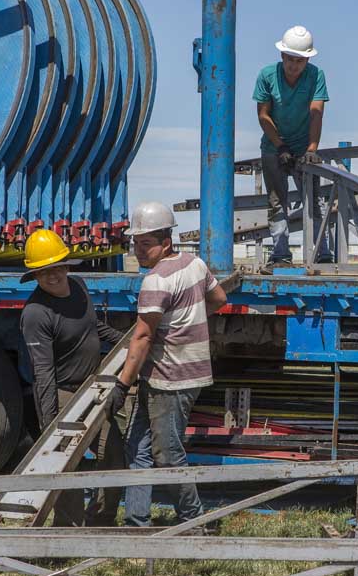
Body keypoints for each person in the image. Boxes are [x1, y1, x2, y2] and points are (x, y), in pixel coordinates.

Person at [107, 202, 228, 527]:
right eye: (135, 243)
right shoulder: (195, 264)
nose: (138, 250)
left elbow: (143, 337)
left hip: (169, 380)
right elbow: (219, 300)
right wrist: (189, 323)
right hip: (188, 373)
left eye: (145, 244)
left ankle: (194, 519)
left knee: (166, 454)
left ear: (166, 242)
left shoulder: (156, 281)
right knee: (139, 448)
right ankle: (136, 521)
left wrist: (121, 384)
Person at [19, 228, 126, 527]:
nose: (52, 276)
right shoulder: (36, 314)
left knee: (113, 454)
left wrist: (125, 343)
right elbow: (43, 373)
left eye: (56, 268)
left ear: (67, 266)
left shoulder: (78, 287)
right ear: (35, 275)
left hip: (94, 386)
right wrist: (50, 422)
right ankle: (68, 528)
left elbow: (93, 328)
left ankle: (101, 520)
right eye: (43, 272)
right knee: (67, 462)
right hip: (63, 393)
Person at [253, 25, 331, 266]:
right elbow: (263, 115)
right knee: (277, 200)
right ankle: (280, 253)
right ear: (282, 56)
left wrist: (312, 149)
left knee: (314, 200)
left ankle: (322, 252)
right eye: (290, 59)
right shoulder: (267, 76)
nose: (294, 65)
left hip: (303, 145)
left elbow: (316, 112)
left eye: (300, 60)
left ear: (307, 59)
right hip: (273, 145)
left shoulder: (316, 75)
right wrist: (279, 146)